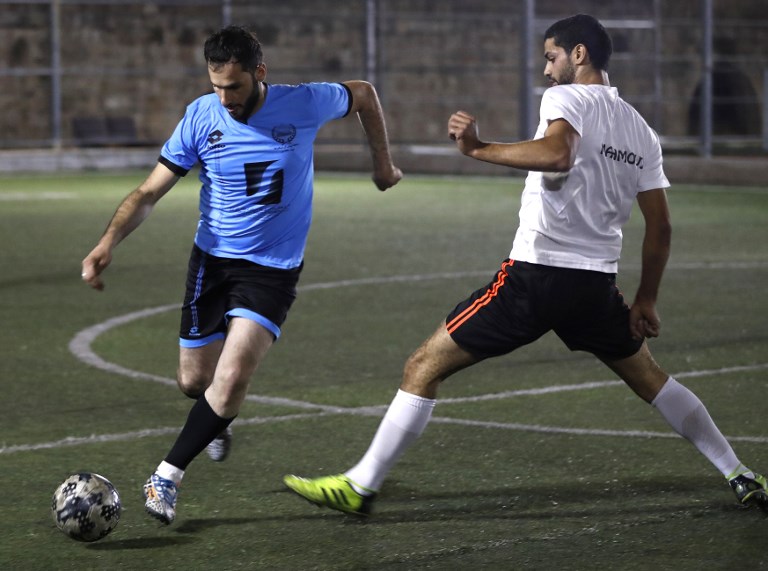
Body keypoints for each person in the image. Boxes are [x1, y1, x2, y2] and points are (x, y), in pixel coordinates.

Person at [283, 14, 768, 517]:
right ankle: (738, 471)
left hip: (536, 277)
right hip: (595, 286)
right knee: (652, 380)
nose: (545, 70)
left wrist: (478, 148)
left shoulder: (565, 99)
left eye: (551, 56)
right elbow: (661, 227)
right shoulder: (641, 129)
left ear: (579, 54)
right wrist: (645, 297)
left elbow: (558, 156)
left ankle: (360, 485)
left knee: (422, 367)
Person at [81, 25, 402, 525]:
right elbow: (148, 192)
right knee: (195, 382)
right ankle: (214, 423)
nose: (225, 97)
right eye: (216, 86)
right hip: (212, 261)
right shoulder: (201, 117)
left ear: (260, 73)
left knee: (230, 381)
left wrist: (383, 164)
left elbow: (364, 95)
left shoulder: (304, 103)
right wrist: (107, 242)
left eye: (234, 86)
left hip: (272, 269)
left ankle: (165, 476)